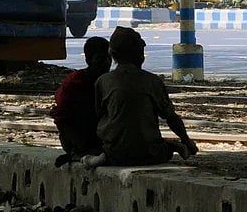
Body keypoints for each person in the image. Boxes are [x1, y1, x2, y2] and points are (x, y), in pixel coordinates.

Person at [83, 26, 199, 168]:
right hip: (150, 153)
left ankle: (103, 157)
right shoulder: (153, 81)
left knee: (113, 148)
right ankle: (173, 146)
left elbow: (99, 114)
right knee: (160, 149)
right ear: (139, 55)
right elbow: (171, 117)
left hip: (115, 152)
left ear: (112, 55)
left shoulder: (103, 81)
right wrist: (186, 140)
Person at [52, 36, 111, 167]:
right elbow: (61, 117)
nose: (106, 63)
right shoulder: (75, 82)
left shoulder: (110, 81)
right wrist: (80, 144)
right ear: (88, 60)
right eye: (101, 59)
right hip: (78, 138)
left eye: (109, 58)